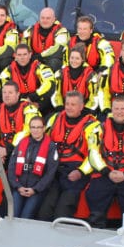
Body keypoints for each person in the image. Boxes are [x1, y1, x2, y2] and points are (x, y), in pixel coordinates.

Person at [84, 95, 124, 228]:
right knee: (96, 202)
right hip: (104, 175)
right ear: (111, 110)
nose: (119, 112)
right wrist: (107, 171)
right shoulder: (98, 130)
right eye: (116, 109)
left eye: (122, 109)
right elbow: (93, 153)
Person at [37, 92, 101, 220]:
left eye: (73, 104)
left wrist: (81, 172)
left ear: (81, 106)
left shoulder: (92, 125)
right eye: (67, 104)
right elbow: (43, 142)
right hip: (54, 169)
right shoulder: (54, 119)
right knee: (44, 210)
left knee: (63, 210)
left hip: (75, 172)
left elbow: (94, 154)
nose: (69, 107)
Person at [7, 116, 59, 219]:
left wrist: (35, 189)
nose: (35, 130)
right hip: (20, 187)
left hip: (36, 189)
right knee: (13, 215)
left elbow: (50, 173)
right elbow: (11, 166)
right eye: (33, 127)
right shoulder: (22, 142)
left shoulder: (51, 146)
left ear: (44, 128)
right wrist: (17, 186)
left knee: (26, 216)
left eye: (38, 127)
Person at [0, 82, 41, 163]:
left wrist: (8, 149)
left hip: (22, 150)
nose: (6, 95)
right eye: (4, 92)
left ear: (18, 94)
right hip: (0, 150)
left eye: (10, 93)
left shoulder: (29, 109)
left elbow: (28, 131)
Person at [0, 43, 55, 115]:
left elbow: (50, 83)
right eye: (19, 55)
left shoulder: (40, 67)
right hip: (18, 101)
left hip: (39, 100)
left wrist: (33, 97)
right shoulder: (7, 71)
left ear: (30, 54)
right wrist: (23, 102)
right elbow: (6, 90)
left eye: (25, 54)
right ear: (15, 55)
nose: (22, 58)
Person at [52, 45, 101, 113]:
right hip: (65, 108)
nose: (74, 61)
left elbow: (94, 98)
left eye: (77, 58)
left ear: (82, 60)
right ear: (69, 58)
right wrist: (60, 108)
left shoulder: (90, 75)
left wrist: (85, 111)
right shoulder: (60, 73)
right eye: (72, 58)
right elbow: (57, 94)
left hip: (83, 110)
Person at [22, 7, 69, 72]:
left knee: (54, 62)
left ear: (54, 19)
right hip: (33, 59)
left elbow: (58, 48)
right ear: (39, 19)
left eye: (48, 18)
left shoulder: (61, 31)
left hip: (50, 60)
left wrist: (40, 56)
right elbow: (22, 47)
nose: (45, 20)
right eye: (42, 18)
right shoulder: (30, 31)